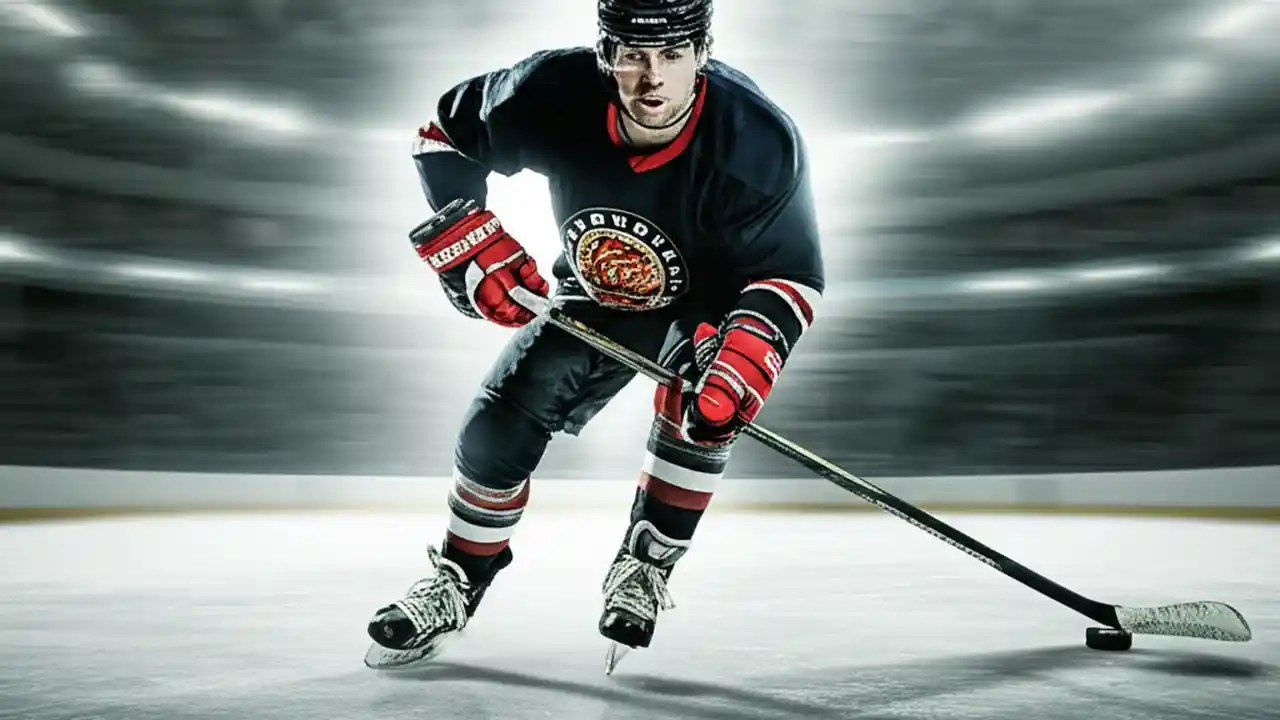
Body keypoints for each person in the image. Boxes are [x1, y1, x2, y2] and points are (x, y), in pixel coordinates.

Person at [365, 0, 824, 668]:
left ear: (703, 50)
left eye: (672, 54)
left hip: (715, 299)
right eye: (634, 55)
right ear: (605, 53)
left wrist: (750, 350)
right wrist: (468, 234)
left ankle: (646, 564)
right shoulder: (548, 92)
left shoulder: (756, 141)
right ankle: (460, 576)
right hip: (603, 291)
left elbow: (791, 273)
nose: (652, 79)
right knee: (494, 429)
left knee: (703, 413)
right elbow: (443, 135)